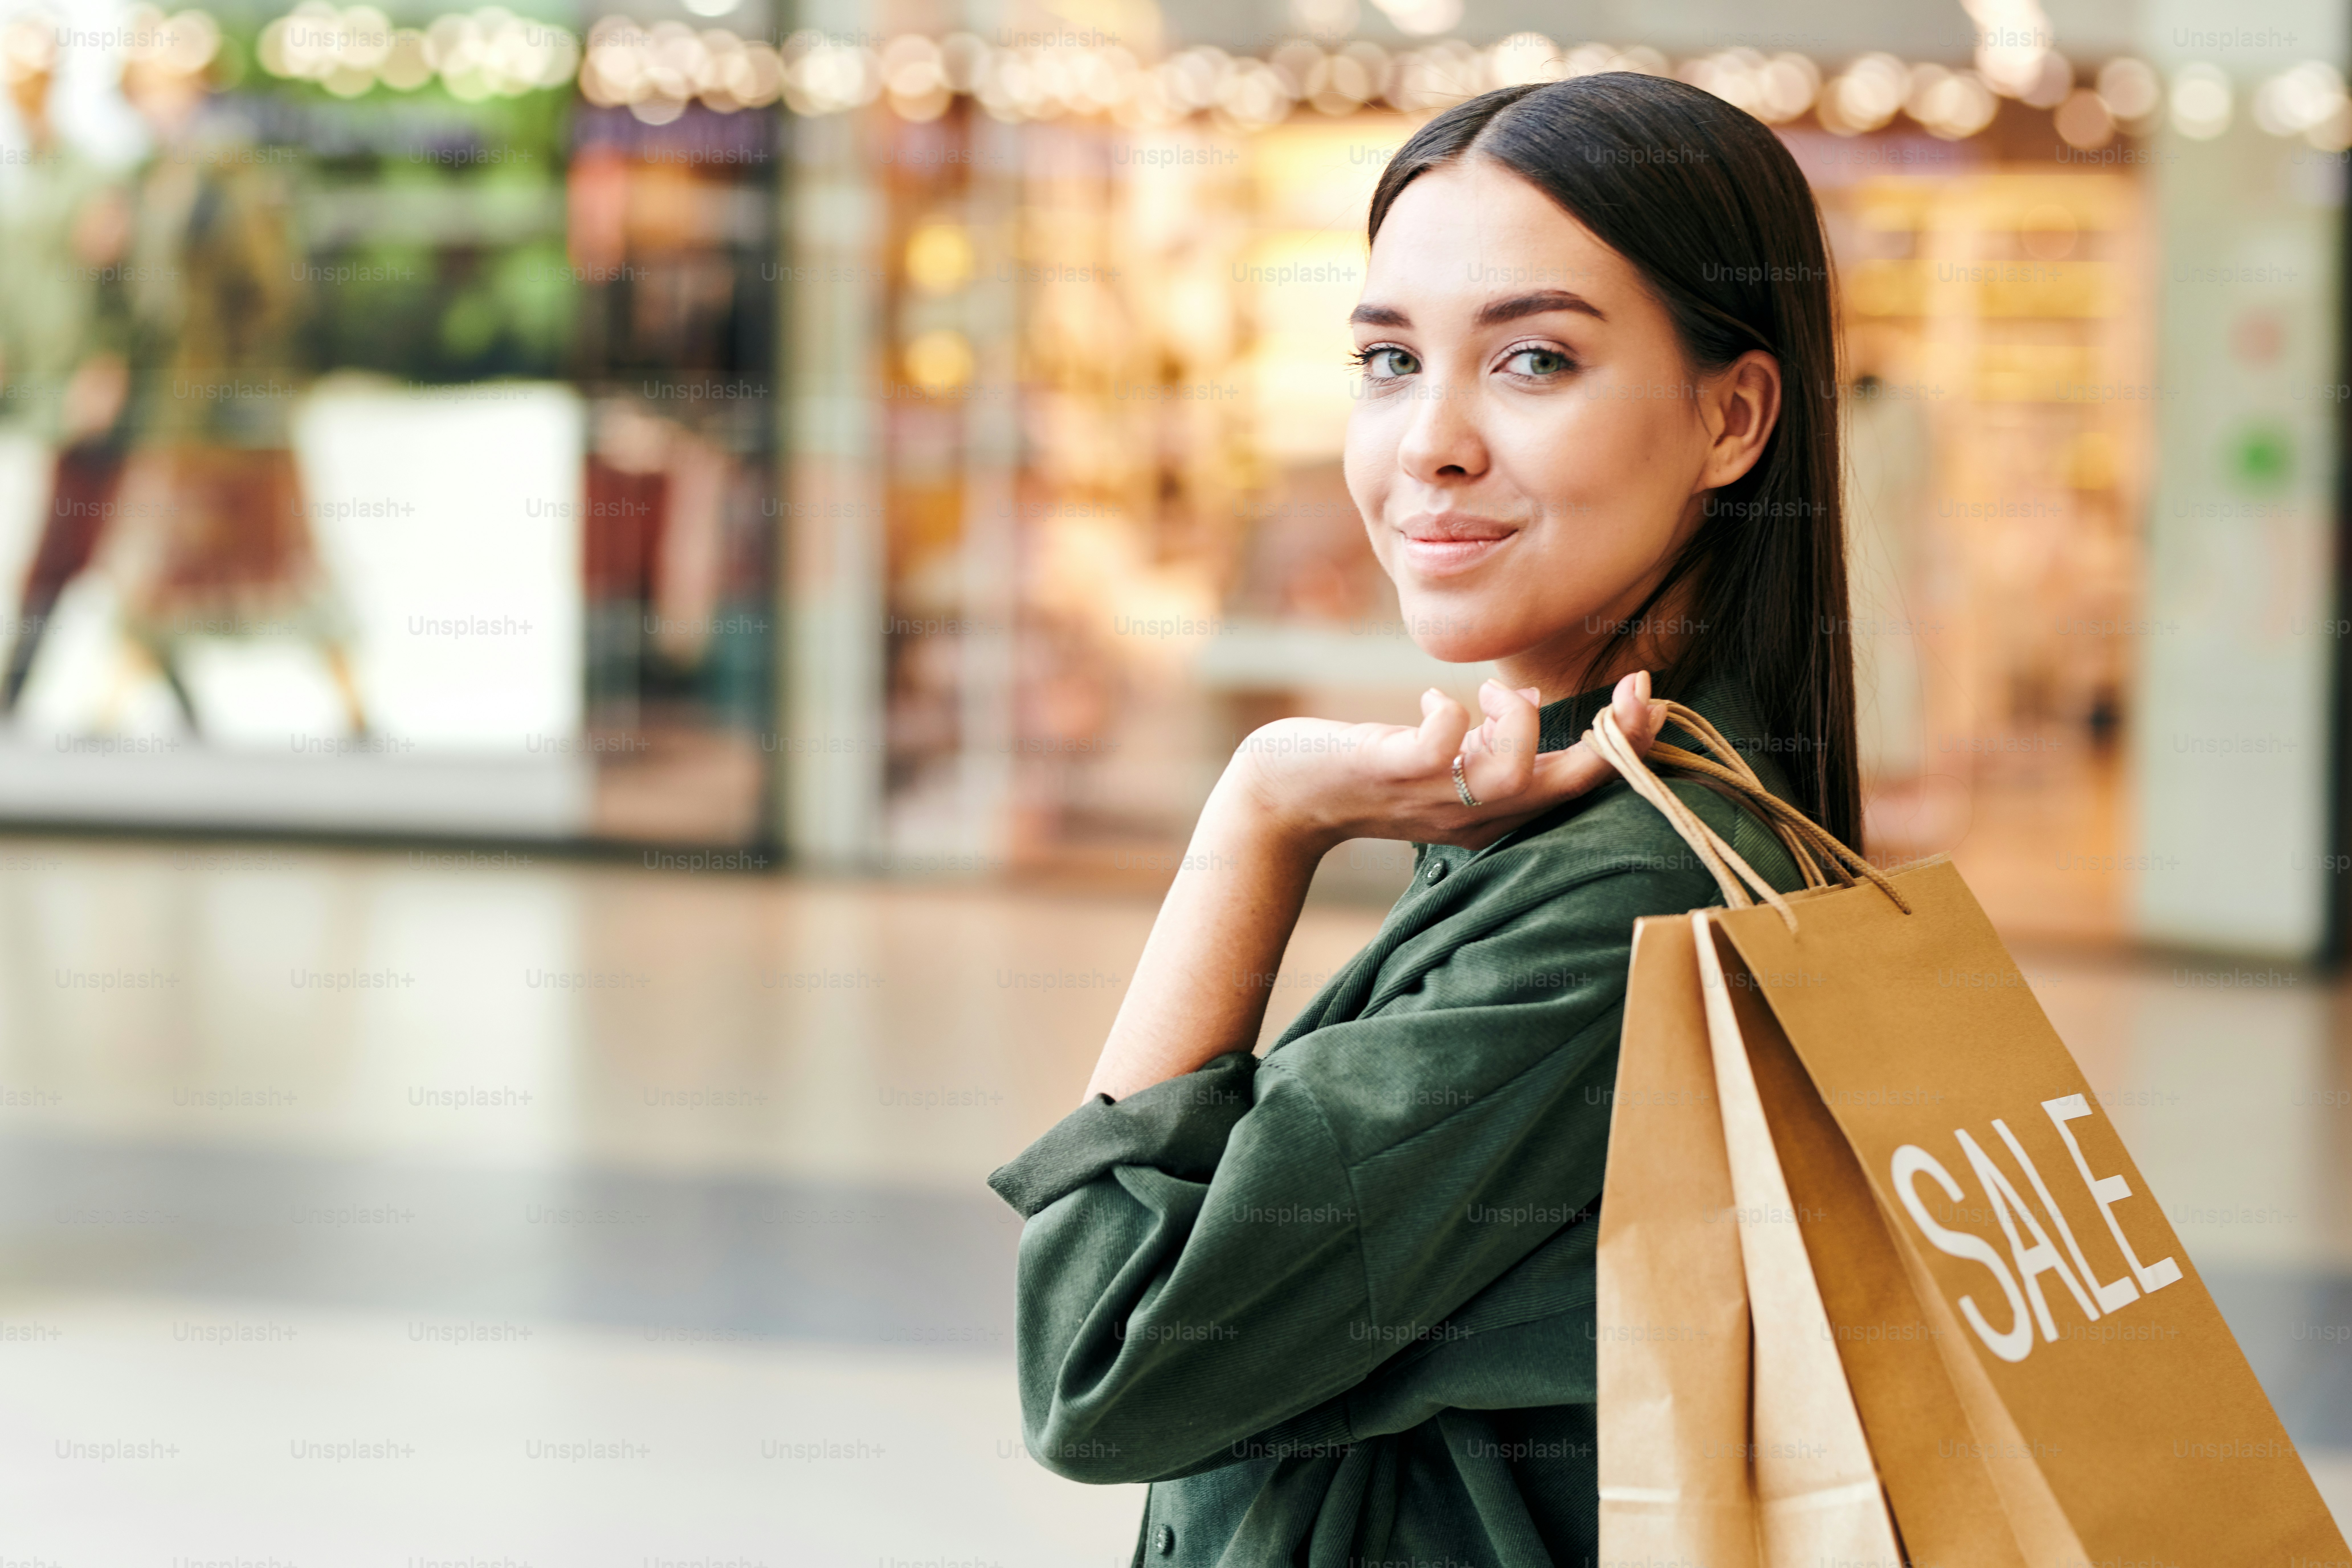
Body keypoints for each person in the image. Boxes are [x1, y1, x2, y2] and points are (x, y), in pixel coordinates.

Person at [986, 72, 1857, 1565]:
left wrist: (1260, 816)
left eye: (1531, 360)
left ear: (1734, 416)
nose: (1427, 446)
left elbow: (1102, 1361)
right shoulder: (1631, 812)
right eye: (1390, 361)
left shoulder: (1625, 901)